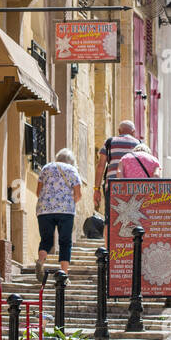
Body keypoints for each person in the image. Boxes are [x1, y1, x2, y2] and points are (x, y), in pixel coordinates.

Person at [34, 148, 82, 284]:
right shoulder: (72, 170)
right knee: (65, 242)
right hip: (65, 211)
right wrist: (70, 201)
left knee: (46, 239)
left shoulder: (46, 168)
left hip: (44, 210)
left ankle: (41, 261)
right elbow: (78, 194)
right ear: (71, 161)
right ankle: (64, 275)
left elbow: (38, 192)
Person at [92, 120, 140, 211]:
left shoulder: (109, 142)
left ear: (119, 131)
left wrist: (96, 189)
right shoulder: (139, 144)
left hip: (112, 185)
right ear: (133, 132)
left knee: (110, 218)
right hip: (134, 187)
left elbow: (100, 166)